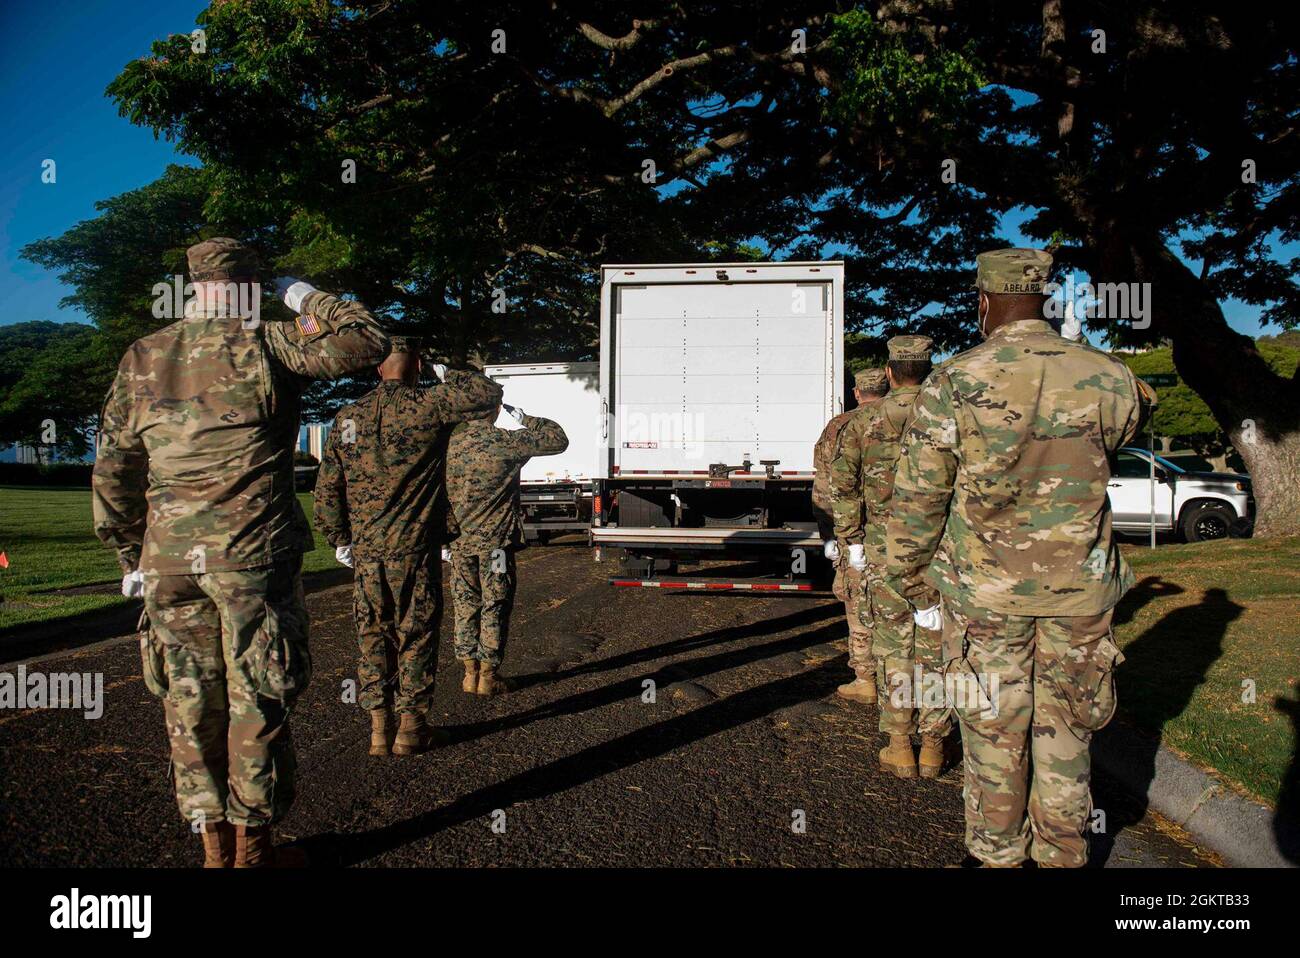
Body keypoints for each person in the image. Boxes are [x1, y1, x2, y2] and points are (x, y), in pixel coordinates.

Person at [92, 238, 391, 867]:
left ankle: (213, 850)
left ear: (194, 287)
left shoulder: (143, 356)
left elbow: (114, 467)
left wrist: (130, 557)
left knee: (189, 702)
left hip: (167, 561)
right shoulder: (270, 340)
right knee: (256, 697)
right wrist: (308, 297)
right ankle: (254, 851)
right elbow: (368, 340)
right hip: (250, 556)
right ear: (252, 287)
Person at [885, 248, 1156, 867]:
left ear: (984, 302)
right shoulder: (1110, 375)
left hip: (986, 593)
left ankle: (997, 854)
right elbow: (1129, 426)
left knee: (992, 726)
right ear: (1046, 297)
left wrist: (905, 579)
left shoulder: (955, 380)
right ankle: (1063, 855)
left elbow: (921, 495)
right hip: (1080, 590)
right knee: (1068, 729)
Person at [313, 338, 503, 757]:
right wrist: (443, 368)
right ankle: (412, 728)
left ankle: (379, 729)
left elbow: (328, 486)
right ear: (417, 364)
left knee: (373, 636)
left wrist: (339, 538)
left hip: (366, 553)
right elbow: (487, 393)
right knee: (415, 635)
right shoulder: (430, 405)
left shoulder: (348, 416)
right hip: (414, 550)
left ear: (378, 368)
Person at [838, 337, 955, 777]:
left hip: (885, 552)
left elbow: (844, 488)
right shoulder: (949, 417)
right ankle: (934, 744)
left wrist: (852, 548)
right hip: (941, 553)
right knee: (940, 648)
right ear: (929, 372)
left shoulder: (863, 421)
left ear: (888, 374)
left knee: (895, 646)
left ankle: (901, 744)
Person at [445, 403, 568, 695]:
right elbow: (558, 438)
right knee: (495, 604)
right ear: (495, 411)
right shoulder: (507, 442)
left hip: (459, 542)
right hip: (496, 543)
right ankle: (488, 676)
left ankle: (468, 673)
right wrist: (525, 418)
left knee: (465, 604)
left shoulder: (450, 446)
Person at [815, 367, 888, 703]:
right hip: (901, 533)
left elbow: (824, 492)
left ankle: (866, 678)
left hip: (853, 533)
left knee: (858, 605)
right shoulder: (912, 418)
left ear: (857, 393)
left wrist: (831, 540)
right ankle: (899, 683)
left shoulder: (840, 427)